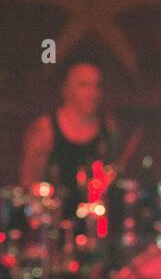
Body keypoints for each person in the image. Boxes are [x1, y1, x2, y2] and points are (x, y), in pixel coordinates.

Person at [19, 61, 120, 192]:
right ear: (66, 88)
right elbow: (28, 181)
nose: (92, 93)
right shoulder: (45, 129)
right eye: (84, 85)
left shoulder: (109, 129)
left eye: (97, 86)